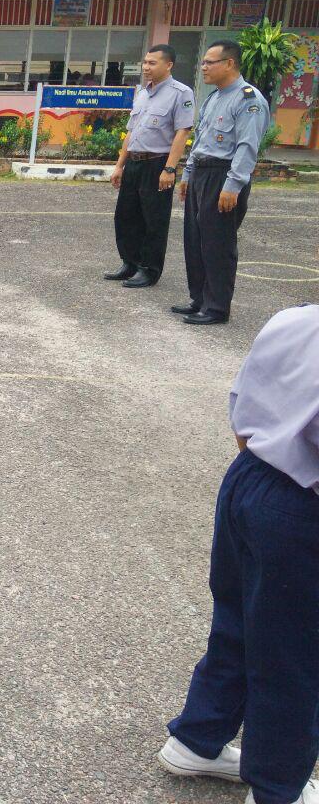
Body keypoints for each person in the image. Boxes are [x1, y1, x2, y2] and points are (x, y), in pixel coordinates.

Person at [158, 299, 319, 804]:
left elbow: (242, 422)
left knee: (239, 619)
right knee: (297, 656)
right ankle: (276, 789)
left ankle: (198, 738)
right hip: (304, 503)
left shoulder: (295, 321)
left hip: (251, 479)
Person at [172, 41, 269, 325]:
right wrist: (188, 174)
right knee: (195, 240)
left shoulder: (248, 99)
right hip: (202, 173)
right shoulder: (213, 98)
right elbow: (200, 141)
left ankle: (216, 308)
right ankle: (199, 299)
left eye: (209, 62)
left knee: (218, 243)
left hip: (223, 176)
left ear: (229, 63)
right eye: (202, 62)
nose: (203, 67)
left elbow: (247, 147)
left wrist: (233, 185)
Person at [103, 44, 195, 289]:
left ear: (169, 65)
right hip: (134, 163)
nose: (146, 67)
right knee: (125, 216)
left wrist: (169, 169)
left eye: (152, 63)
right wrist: (119, 165)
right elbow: (131, 132)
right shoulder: (143, 93)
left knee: (153, 220)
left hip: (157, 165)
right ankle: (129, 263)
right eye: (145, 62)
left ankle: (149, 269)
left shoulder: (181, 93)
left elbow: (182, 132)